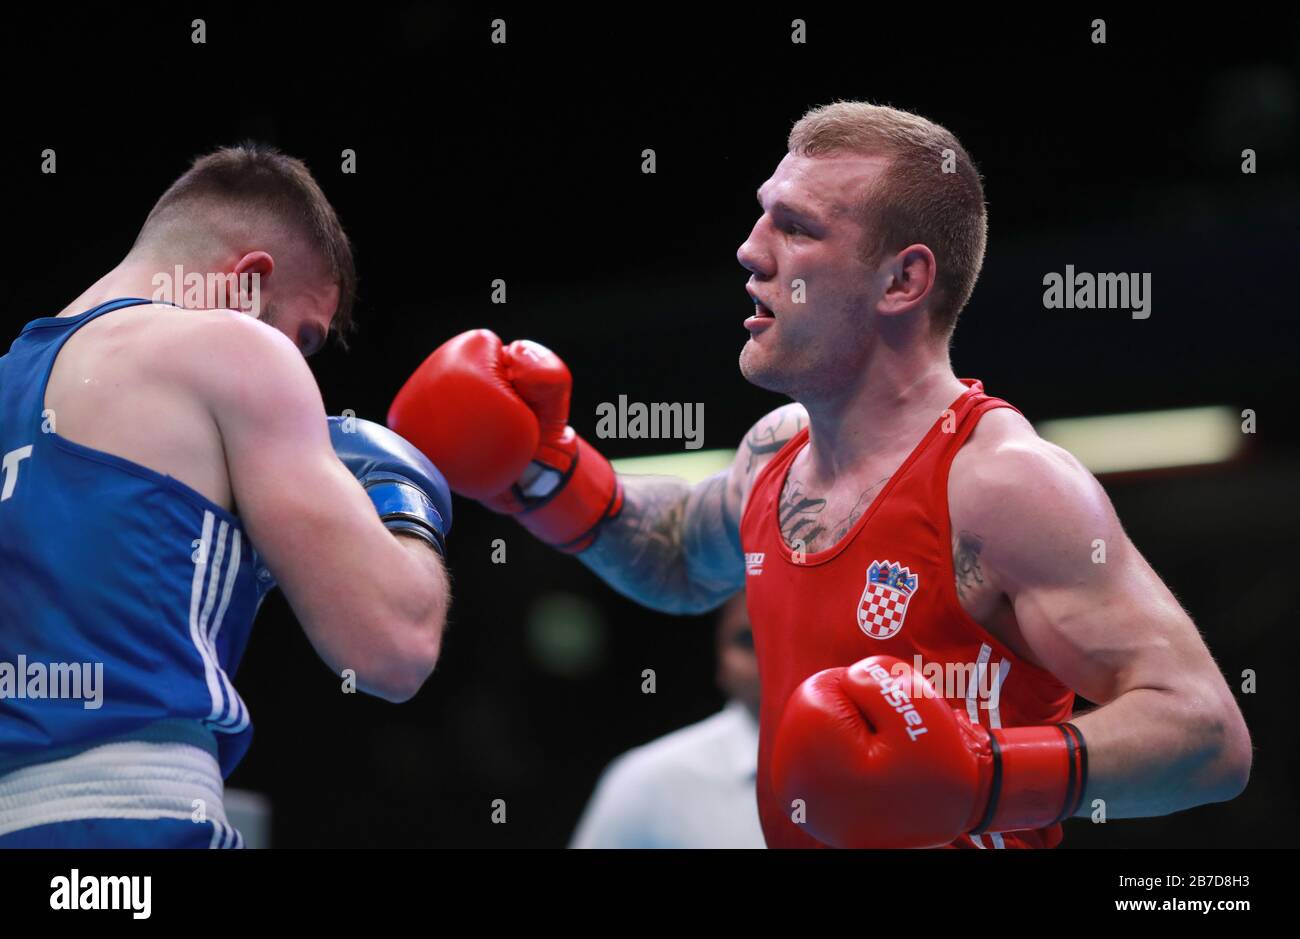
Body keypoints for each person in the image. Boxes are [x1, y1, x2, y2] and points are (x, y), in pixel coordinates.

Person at [390, 101, 1252, 849]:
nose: (749, 250)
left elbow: (1208, 735)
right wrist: (544, 470)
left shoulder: (1002, 483)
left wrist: (986, 775)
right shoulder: (775, 451)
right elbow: (682, 560)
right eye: (762, 217)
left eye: (796, 228)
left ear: (904, 278)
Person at [0, 144, 452, 848]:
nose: (297, 366)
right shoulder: (232, 347)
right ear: (248, 281)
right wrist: (406, 503)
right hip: (135, 833)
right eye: (301, 339)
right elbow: (394, 648)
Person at [570, 592, 763, 848]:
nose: (769, 658)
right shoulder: (647, 781)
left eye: (790, 638)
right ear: (720, 662)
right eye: (748, 641)